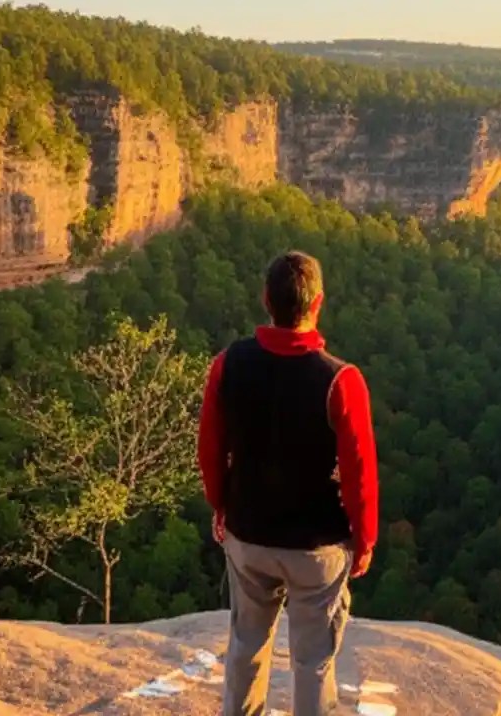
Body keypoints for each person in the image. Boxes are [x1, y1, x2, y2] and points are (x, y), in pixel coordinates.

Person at [197, 251, 379, 716]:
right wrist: (364, 540)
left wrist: (221, 505)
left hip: (248, 533)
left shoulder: (227, 364)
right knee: (313, 660)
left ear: (266, 299)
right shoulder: (341, 381)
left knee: (246, 644)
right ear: (317, 304)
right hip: (314, 547)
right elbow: (360, 472)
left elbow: (210, 449)